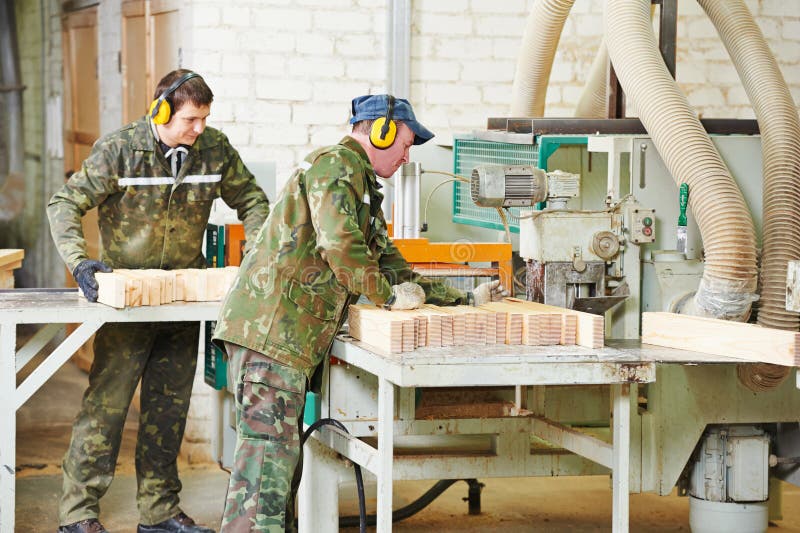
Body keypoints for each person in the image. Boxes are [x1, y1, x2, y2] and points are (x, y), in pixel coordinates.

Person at [212, 94, 507, 532]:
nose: (408, 157)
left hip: (284, 342)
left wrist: (464, 299)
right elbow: (340, 247)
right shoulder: (336, 166)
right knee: (262, 484)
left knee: (275, 478)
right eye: (405, 144)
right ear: (380, 131)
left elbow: (392, 266)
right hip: (271, 337)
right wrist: (387, 297)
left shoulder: (363, 191)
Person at [47, 69, 270, 533]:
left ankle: (159, 512)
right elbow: (64, 203)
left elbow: (252, 199)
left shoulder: (214, 150)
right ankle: (78, 514)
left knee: (167, 412)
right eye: (191, 119)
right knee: (105, 410)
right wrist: (80, 261)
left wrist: (254, 253)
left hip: (182, 305)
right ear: (162, 110)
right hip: (127, 303)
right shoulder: (120, 150)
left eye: (205, 118)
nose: (199, 129)